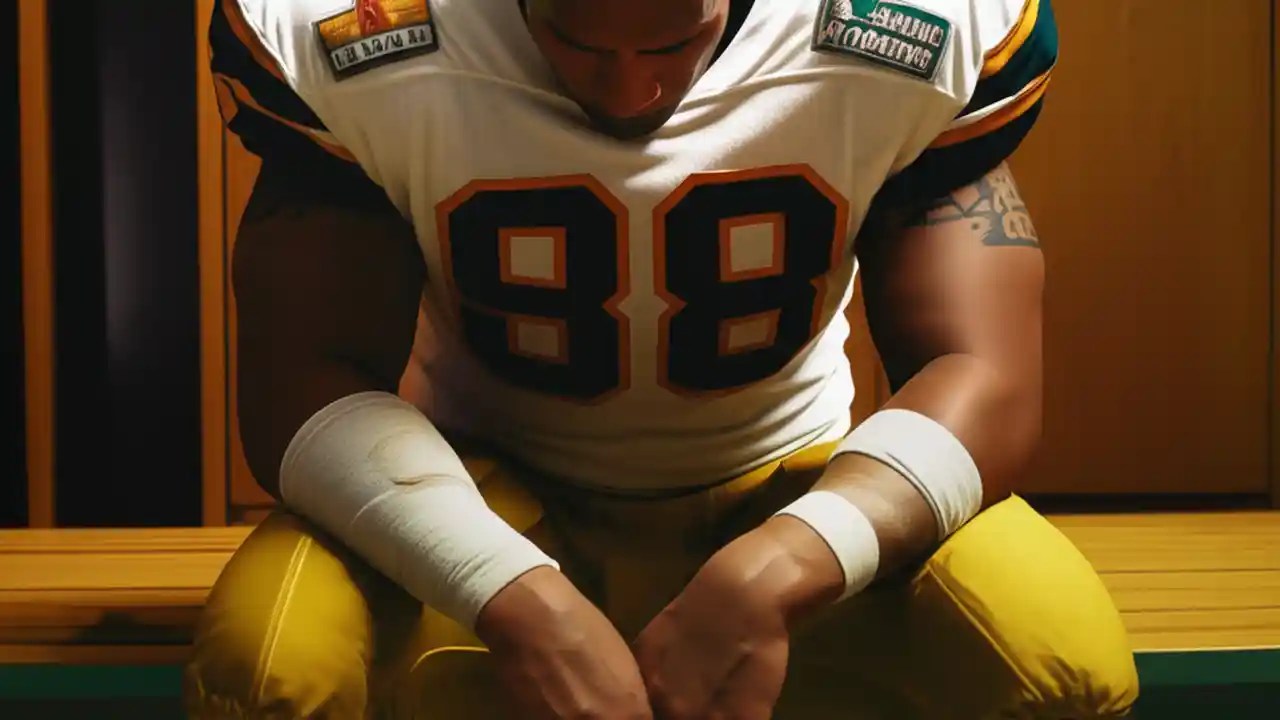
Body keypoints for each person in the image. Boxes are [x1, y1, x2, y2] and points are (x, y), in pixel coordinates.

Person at [186, 0, 1139, 717]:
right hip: (478, 485)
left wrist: (787, 561)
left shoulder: (912, 24)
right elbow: (304, 382)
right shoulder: (353, 28)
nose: (629, 91)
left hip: (791, 478)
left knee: (1063, 654)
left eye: (674, 40)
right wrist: (502, 590)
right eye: (578, 40)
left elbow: (986, 370)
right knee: (267, 663)